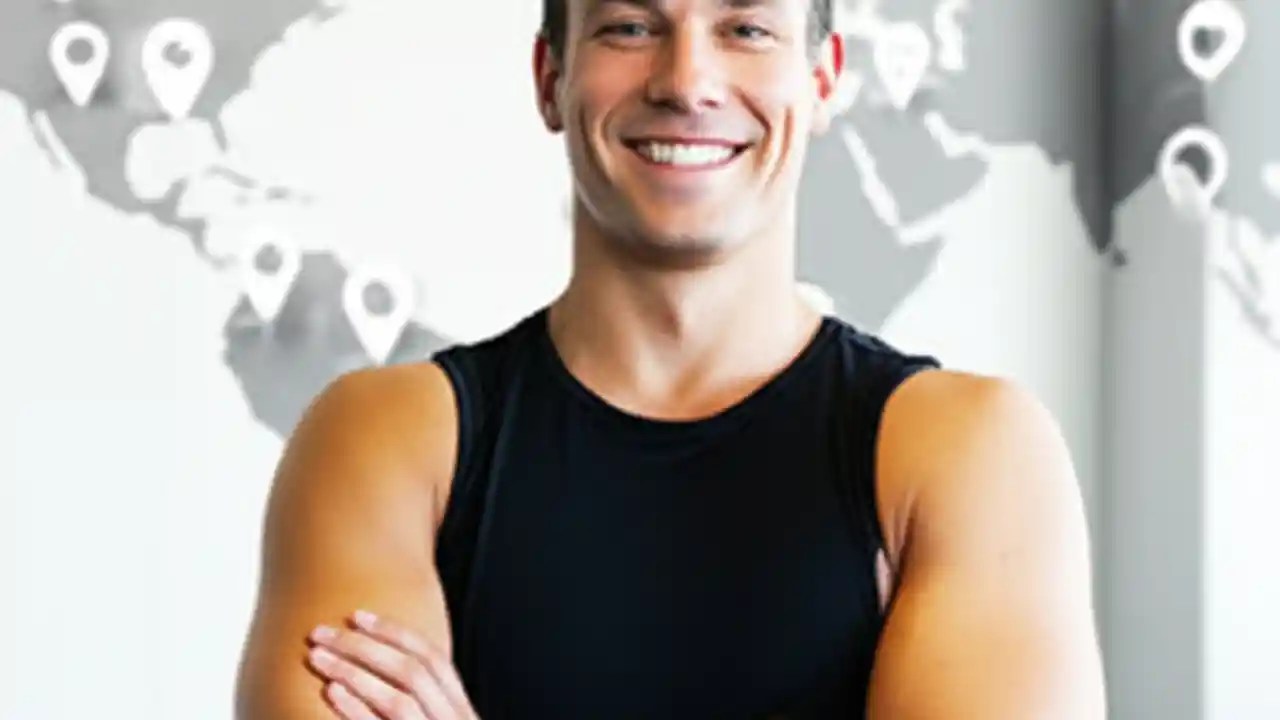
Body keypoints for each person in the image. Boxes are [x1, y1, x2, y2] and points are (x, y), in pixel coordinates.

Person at [234, 0, 1106, 717]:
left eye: (746, 29)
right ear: (550, 78)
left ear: (823, 76)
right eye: (629, 27)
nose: (687, 81)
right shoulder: (389, 443)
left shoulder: (969, 455)